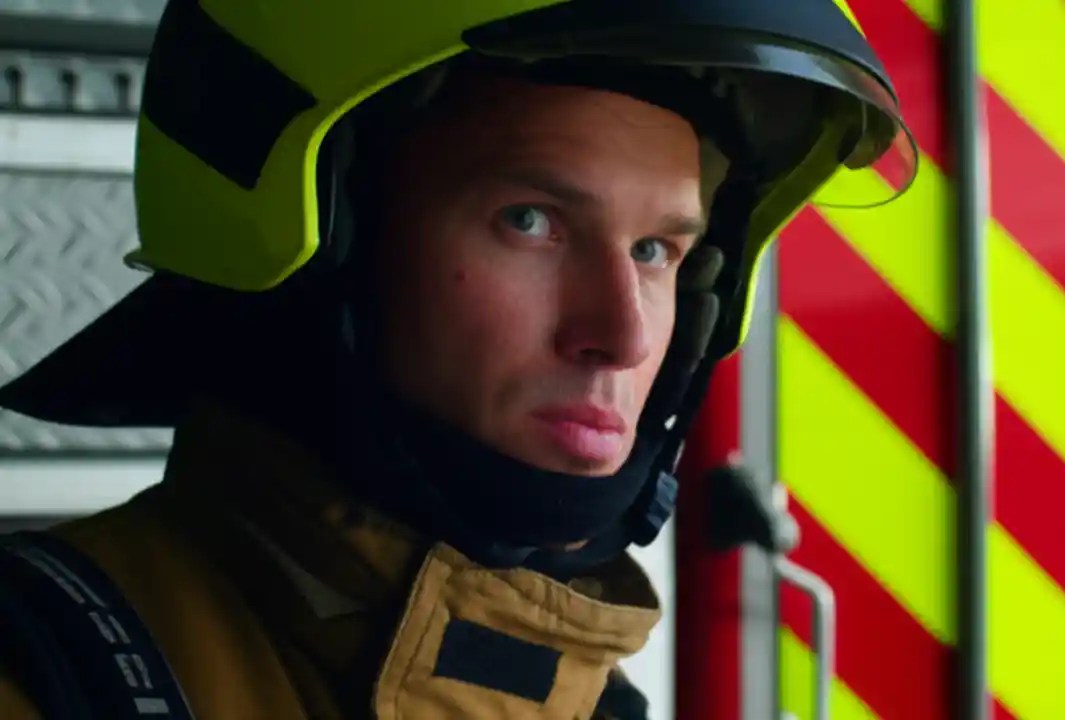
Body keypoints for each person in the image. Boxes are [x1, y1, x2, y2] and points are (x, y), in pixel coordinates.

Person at [0, 1, 916, 718]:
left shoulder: (588, 702)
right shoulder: (45, 676)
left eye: (656, 252)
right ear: (328, 253)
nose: (626, 335)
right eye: (533, 222)